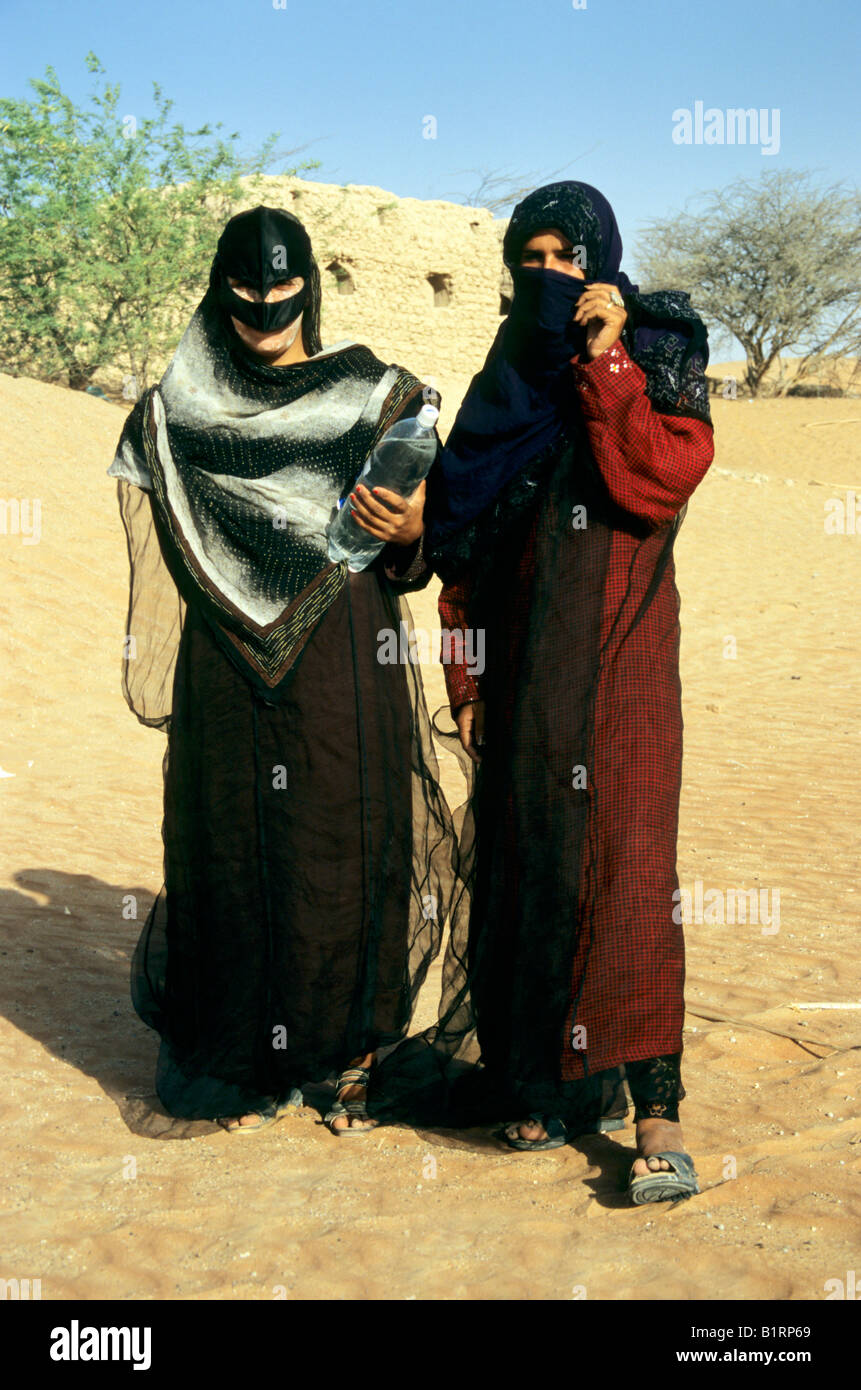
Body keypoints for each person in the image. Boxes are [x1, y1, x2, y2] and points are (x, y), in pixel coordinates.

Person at [109, 205, 463, 1135]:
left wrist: (415, 530)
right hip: (225, 669)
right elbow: (163, 540)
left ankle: (344, 1052)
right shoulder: (175, 412)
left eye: (281, 290)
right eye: (245, 294)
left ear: (310, 283)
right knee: (232, 839)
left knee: (340, 839)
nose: (265, 309)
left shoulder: (374, 395)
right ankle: (241, 1048)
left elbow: (422, 545)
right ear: (217, 291)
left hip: (341, 655)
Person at [423, 181, 715, 1203]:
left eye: (564, 256)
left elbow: (657, 480)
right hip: (527, 691)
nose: (547, 275)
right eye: (529, 258)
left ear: (600, 259)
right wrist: (467, 678)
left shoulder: (662, 352)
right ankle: (541, 1086)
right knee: (528, 870)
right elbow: (463, 557)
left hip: (624, 677)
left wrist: (607, 362)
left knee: (628, 876)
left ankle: (657, 1114)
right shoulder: (503, 386)